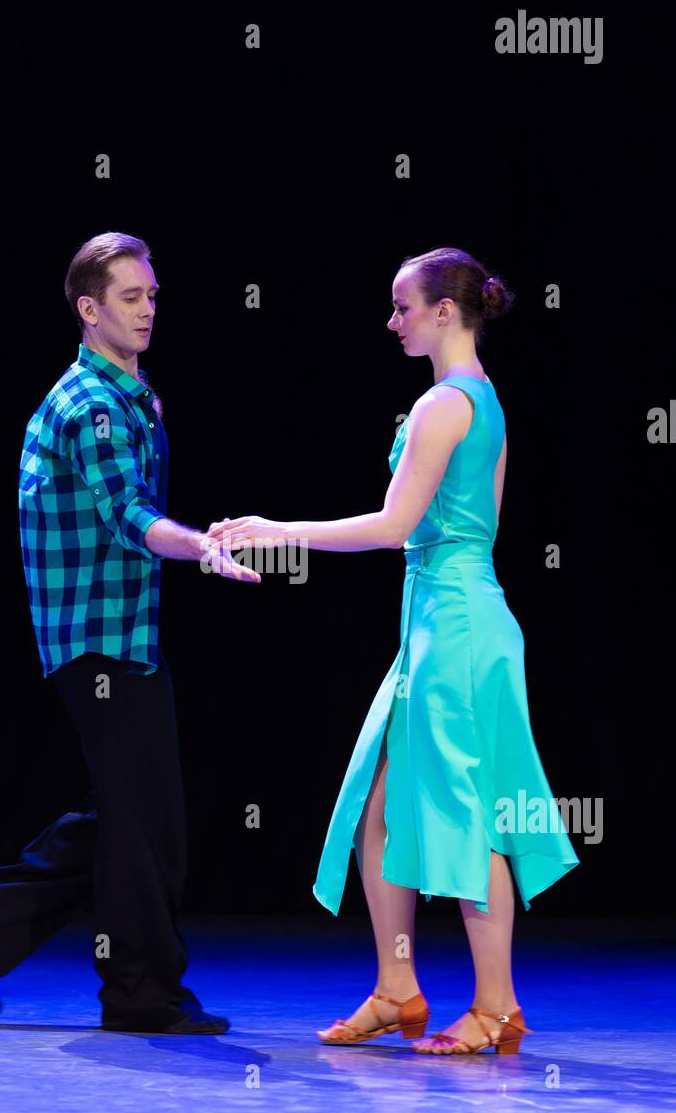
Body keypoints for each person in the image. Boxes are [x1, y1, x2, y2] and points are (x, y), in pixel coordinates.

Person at [208, 246, 580, 1056]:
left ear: (445, 312)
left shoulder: (445, 405)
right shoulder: (479, 401)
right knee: (378, 810)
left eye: (403, 307)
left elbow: (394, 526)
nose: (392, 320)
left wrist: (279, 531)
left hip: (456, 629)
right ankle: (397, 987)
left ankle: (497, 1008)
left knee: (469, 816)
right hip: (444, 623)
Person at [0, 231, 260, 1034]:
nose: (148, 310)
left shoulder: (131, 393)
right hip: (98, 639)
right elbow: (129, 516)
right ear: (89, 308)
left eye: (152, 295)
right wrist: (202, 547)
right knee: (148, 825)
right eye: (130, 297)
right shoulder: (91, 409)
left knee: (130, 811)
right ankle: (138, 992)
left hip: (120, 631)